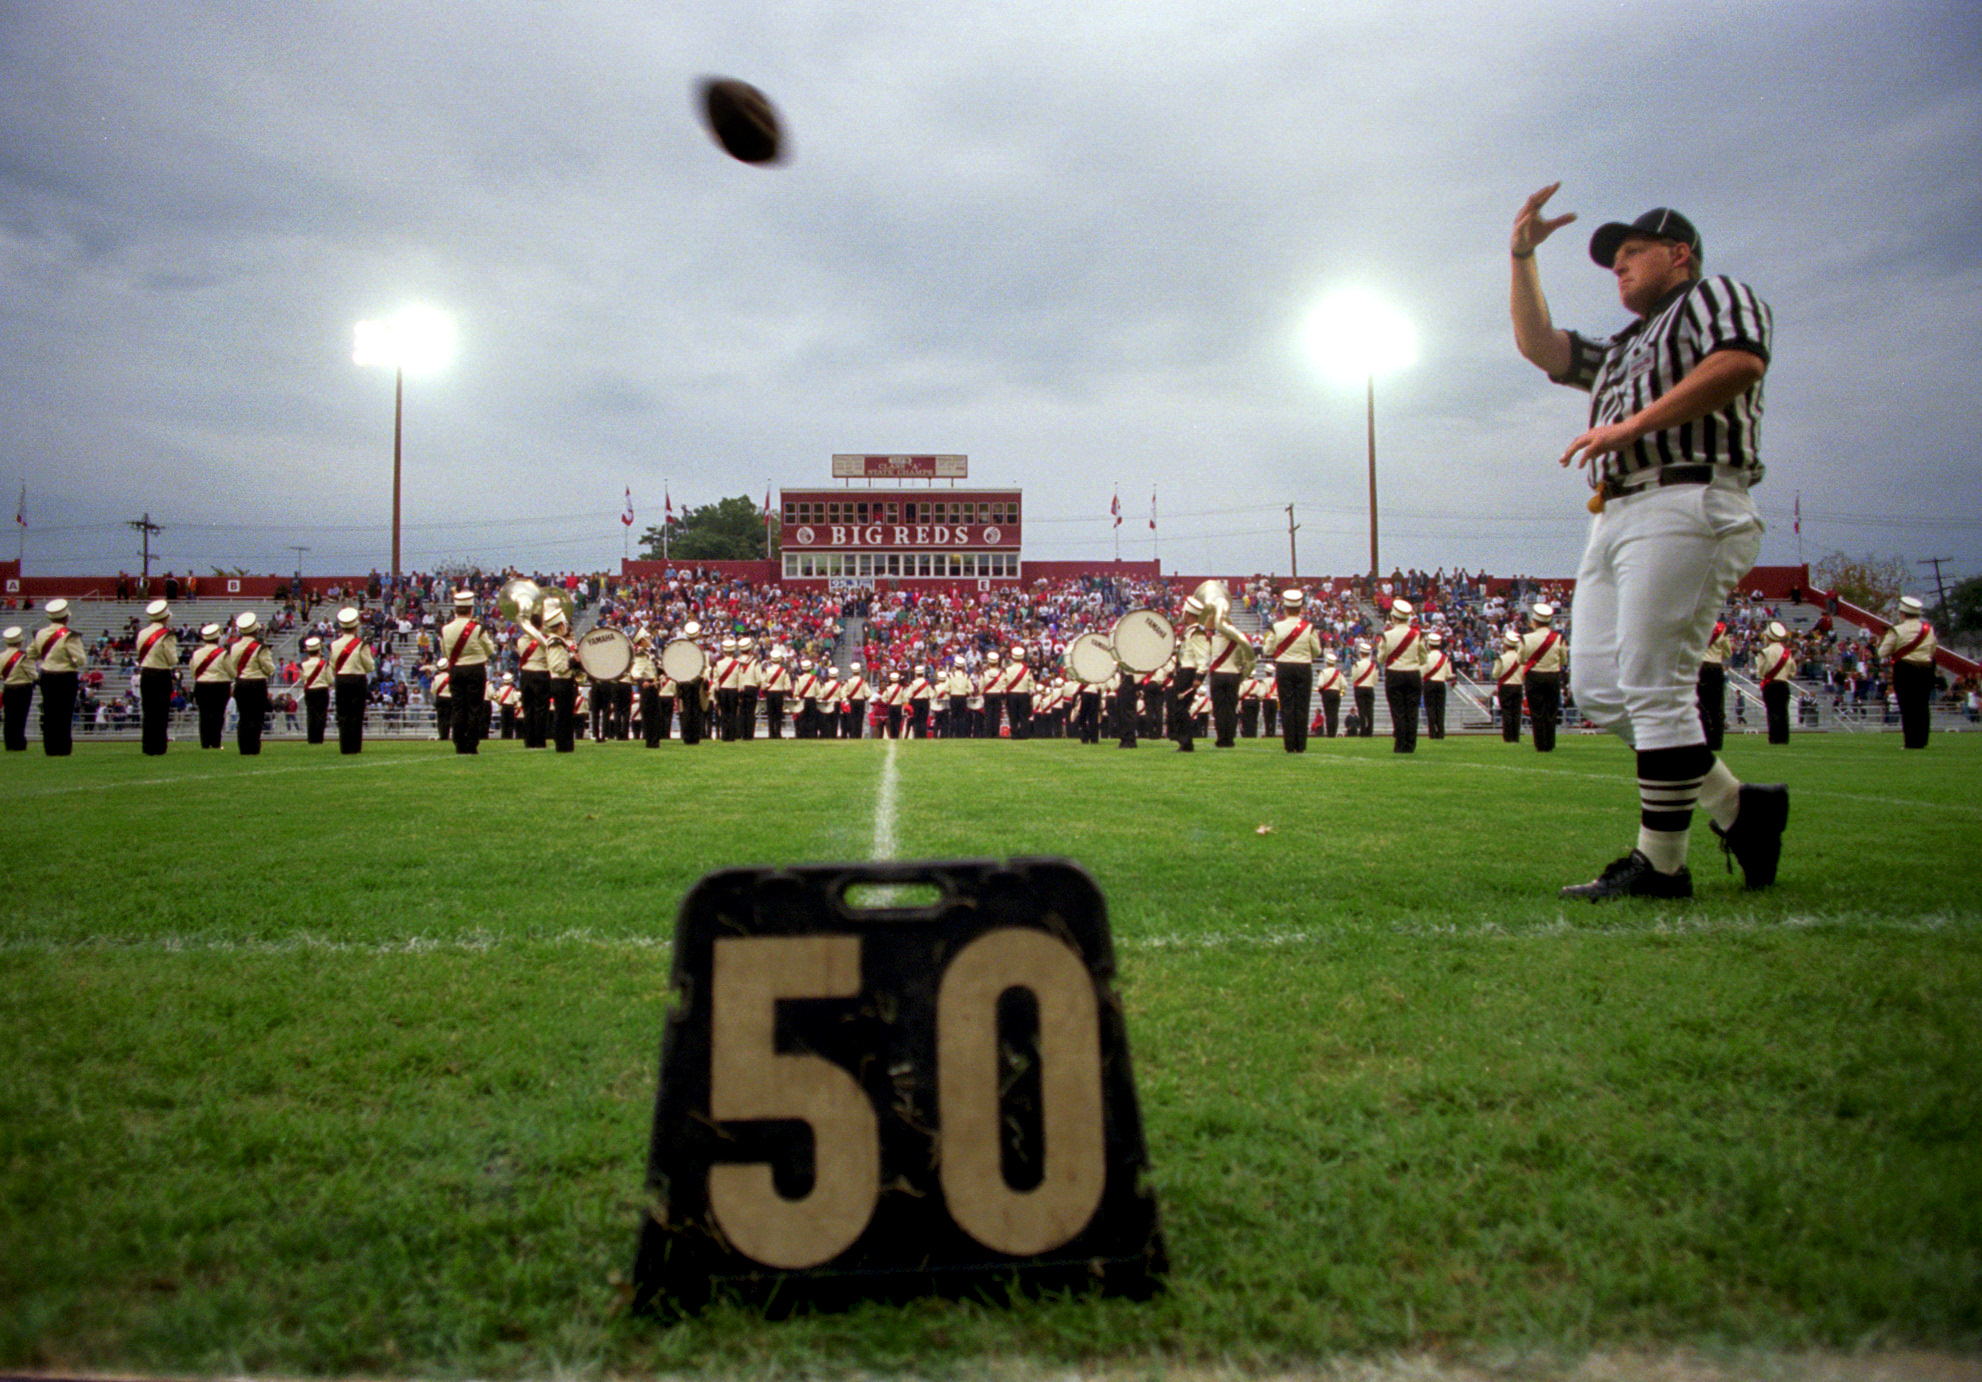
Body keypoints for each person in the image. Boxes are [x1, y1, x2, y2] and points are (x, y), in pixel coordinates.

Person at [1509, 184, 1787, 899]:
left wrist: (1632, 426)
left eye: (1634, 252)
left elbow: (1740, 362)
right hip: (1617, 510)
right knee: (1601, 688)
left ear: (1679, 253)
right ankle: (1738, 807)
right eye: (1616, 259)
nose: (1621, 266)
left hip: (1686, 492)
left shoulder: (1714, 296)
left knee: (1655, 685)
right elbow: (1541, 345)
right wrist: (1522, 258)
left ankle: (1661, 864)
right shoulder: (1625, 346)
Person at [1878, 595, 1939, 749]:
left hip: (1905, 668)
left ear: (1902, 614)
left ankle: (1911, 742)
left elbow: (1882, 652)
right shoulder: (1928, 630)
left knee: (1908, 706)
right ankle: (1922, 740)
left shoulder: (1897, 630)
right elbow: (1933, 649)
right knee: (1922, 705)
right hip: (1926, 668)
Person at [440, 589, 495, 755]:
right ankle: (472, 744)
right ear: (471, 609)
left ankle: (459, 743)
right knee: (474, 708)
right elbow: (490, 649)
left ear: (456, 609)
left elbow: (445, 652)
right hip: (475, 668)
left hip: (456, 669)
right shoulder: (477, 628)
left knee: (458, 707)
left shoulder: (446, 629)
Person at [32, 599, 87, 757]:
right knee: (64, 713)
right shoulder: (69, 636)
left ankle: (50, 747)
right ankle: (62, 748)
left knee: (49, 712)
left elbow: (31, 653)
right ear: (66, 617)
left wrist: (46, 658)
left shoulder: (40, 633)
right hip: (66, 676)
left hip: (47, 675)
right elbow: (81, 660)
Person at [1518, 603, 1566, 752]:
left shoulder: (1526, 638)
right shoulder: (1558, 638)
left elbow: (1520, 659)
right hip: (1552, 675)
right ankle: (1550, 742)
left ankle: (1540, 744)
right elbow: (1563, 660)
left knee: (1537, 711)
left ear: (1535, 621)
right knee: (1551, 711)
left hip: (1534, 676)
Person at [1379, 598, 1425, 754]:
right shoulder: (1417, 635)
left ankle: (1400, 744)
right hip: (1413, 673)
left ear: (1394, 617)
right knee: (1412, 711)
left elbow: (1381, 659)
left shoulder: (1387, 635)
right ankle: (1410, 745)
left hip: (1394, 674)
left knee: (1397, 711)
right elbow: (1424, 658)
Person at [228, 611, 276, 755]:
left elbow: (232, 667)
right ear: (256, 629)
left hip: (241, 683)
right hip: (257, 683)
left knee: (244, 717)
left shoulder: (234, 647)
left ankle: (243, 748)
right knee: (256, 717)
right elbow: (269, 669)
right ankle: (253, 747)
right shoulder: (260, 647)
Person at [135, 598, 179, 756]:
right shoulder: (167, 635)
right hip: (161, 673)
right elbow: (172, 659)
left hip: (146, 672)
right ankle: (159, 746)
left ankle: (147, 745)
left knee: (148, 710)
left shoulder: (142, 633)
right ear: (166, 617)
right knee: (161, 711)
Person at [329, 606, 376, 755]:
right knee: (356, 713)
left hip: (341, 679)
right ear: (356, 626)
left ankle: (344, 747)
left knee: (343, 713)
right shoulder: (361, 644)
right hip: (357, 679)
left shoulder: (334, 644)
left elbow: (333, 665)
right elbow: (370, 666)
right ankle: (355, 747)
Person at [190, 623, 232, 749]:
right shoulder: (223, 653)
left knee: (204, 714)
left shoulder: (196, 653)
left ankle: (205, 742)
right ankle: (216, 742)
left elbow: (193, 669)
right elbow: (231, 671)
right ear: (218, 638)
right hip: (220, 685)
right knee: (218, 714)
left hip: (202, 684)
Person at [1758, 621, 1794, 744]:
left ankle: (1774, 738)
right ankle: (1784, 738)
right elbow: (1792, 671)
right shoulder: (1787, 652)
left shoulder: (1765, 651)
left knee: (1772, 711)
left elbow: (1761, 671)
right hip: (1783, 683)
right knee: (1783, 711)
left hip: (1771, 684)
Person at [1697, 619, 1731, 750]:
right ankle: (1716, 742)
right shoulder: (1721, 629)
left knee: (1700, 705)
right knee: (1717, 706)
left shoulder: (1696, 624)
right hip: (1716, 667)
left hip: (1699, 666)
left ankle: (1702, 738)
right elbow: (1728, 653)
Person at [2, 625, 35, 752]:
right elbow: (32, 674)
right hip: (23, 688)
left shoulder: (1, 656)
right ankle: (18, 743)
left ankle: (9, 743)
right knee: (20, 717)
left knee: (9, 717)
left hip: (8, 687)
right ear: (20, 641)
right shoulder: (24, 656)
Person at [298, 636, 332, 744]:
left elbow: (303, 678)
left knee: (311, 714)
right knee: (321, 714)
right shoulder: (324, 664)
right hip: (322, 689)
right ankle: (319, 738)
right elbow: (330, 679)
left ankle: (311, 738)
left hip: (309, 690)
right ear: (319, 651)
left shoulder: (303, 665)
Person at [1492, 630, 1524, 743]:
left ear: (1505, 645)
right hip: (1518, 685)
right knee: (1516, 713)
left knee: (1507, 712)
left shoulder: (1501, 658)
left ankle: (1508, 737)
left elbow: (1495, 674)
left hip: (1506, 686)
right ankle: (1516, 737)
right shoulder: (1521, 658)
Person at [1423, 631, 1454, 740]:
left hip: (1429, 683)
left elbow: (1423, 672)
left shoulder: (1426, 657)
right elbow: (1449, 675)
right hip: (1441, 683)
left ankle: (1432, 733)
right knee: (1440, 709)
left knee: (1430, 709)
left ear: (1429, 645)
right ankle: (1441, 733)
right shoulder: (1445, 658)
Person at [1350, 639, 1378, 739]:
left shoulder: (1357, 664)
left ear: (1361, 653)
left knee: (1361, 711)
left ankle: (1363, 731)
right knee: (1370, 711)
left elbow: (1353, 678)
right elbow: (1375, 679)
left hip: (1360, 688)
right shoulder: (1373, 665)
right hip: (1370, 688)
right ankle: (1370, 731)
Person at [1315, 651, 1345, 739]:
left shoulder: (1324, 672)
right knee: (1335, 714)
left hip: (1327, 693)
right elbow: (1344, 684)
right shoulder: (1338, 673)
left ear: (1327, 662)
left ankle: (1329, 734)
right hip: (1336, 693)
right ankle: (1334, 733)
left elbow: (1320, 684)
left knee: (1328, 714)